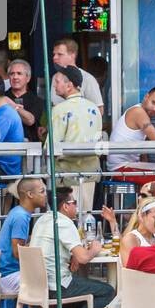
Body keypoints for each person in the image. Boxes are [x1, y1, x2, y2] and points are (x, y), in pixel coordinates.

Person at [27, 185, 114, 308]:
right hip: (57, 285)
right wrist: (94, 250)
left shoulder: (43, 219)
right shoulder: (64, 223)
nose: (77, 206)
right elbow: (83, 258)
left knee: (84, 286)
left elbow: (69, 252)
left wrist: (74, 255)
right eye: (74, 202)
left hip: (38, 284)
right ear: (66, 206)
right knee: (107, 291)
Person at [45, 65, 102, 215]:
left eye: (57, 82)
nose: (54, 85)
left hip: (66, 175)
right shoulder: (95, 109)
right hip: (90, 171)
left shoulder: (59, 109)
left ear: (69, 85)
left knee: (65, 217)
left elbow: (51, 147)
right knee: (86, 216)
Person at [108, 86, 155, 183]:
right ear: (146, 97)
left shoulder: (139, 112)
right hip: (121, 168)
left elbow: (146, 147)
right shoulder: (138, 112)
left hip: (124, 166)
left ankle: (153, 197)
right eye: (153, 102)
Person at [0, 176, 46, 303]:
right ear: (30, 194)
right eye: (42, 191)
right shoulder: (21, 217)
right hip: (10, 276)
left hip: (9, 273)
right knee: (51, 287)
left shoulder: (19, 212)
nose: (45, 195)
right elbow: (18, 253)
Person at [48, 38, 104, 113]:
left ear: (72, 55)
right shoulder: (55, 77)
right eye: (54, 54)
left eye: (59, 54)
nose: (54, 57)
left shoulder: (87, 78)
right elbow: (53, 106)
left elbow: (99, 111)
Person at [5, 59, 45, 141]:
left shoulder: (36, 100)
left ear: (28, 78)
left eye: (19, 74)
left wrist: (14, 106)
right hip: (6, 146)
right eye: (12, 74)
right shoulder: (2, 97)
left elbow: (30, 120)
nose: (15, 77)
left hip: (30, 148)